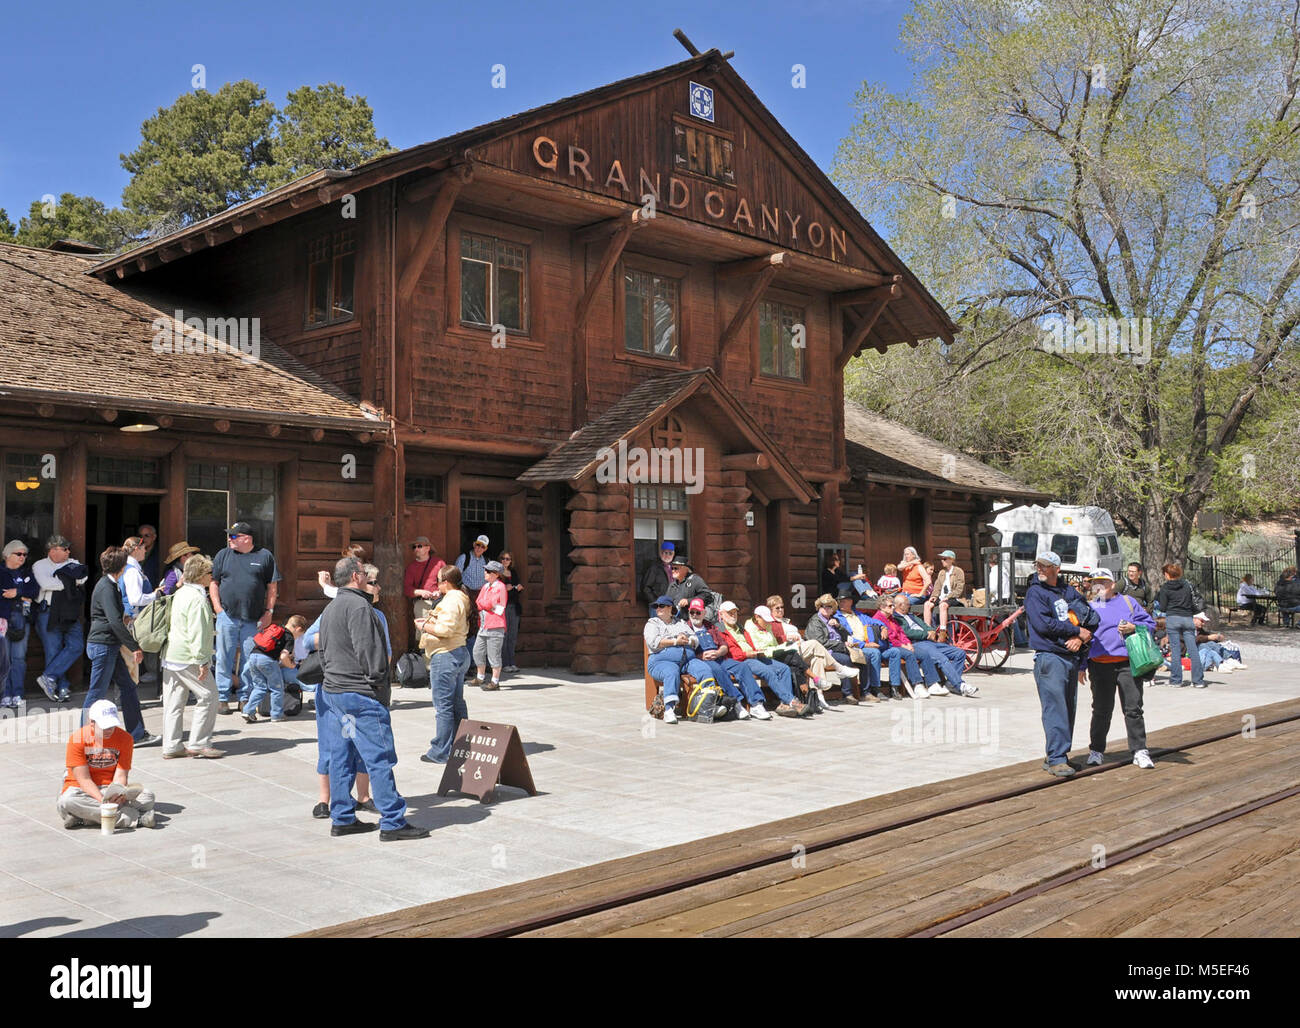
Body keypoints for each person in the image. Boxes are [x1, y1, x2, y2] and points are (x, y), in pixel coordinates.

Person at [318, 556, 428, 841]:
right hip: (360, 695)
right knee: (378, 758)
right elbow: (372, 655)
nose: (369, 579)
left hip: (335, 693)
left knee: (341, 756)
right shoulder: (359, 606)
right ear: (356, 576)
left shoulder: (330, 608)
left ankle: (341, 817)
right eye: (366, 574)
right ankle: (392, 821)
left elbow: (322, 651)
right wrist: (378, 683)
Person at [1024, 550, 1093, 777]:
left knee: (1067, 708)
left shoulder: (1067, 590)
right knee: (1055, 708)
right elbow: (1042, 624)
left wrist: (1080, 636)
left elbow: (1090, 616)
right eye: (1038, 565)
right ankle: (1056, 758)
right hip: (1049, 657)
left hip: (1070, 656)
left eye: (1045, 565)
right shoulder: (1035, 593)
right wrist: (1075, 631)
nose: (1040, 569)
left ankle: (1057, 754)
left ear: (1057, 569)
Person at [83, 547, 159, 746]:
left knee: (127, 686)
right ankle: (85, 737)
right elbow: (114, 622)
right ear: (122, 567)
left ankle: (137, 734)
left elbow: (114, 618)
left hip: (109, 645)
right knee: (96, 692)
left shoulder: (110, 584)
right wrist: (134, 646)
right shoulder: (106, 587)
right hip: (103, 645)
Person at [1081, 569, 1157, 770]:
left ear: (1112, 584)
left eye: (1103, 582)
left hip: (1127, 664)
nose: (1099, 586)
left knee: (1133, 709)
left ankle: (1140, 750)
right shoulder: (1088, 607)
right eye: (1095, 583)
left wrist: (1134, 627)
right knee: (1101, 710)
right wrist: (1081, 666)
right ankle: (1096, 750)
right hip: (1099, 665)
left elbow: (1150, 624)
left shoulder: (1128, 602)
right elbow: (1081, 639)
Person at [210, 522, 281, 713]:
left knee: (249, 660)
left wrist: (269, 612)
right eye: (229, 536)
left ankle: (245, 697)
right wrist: (217, 608)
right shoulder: (223, 555)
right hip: (227, 616)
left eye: (233, 536)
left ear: (246, 539)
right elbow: (213, 583)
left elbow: (272, 587)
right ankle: (222, 698)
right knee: (224, 657)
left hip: (253, 618)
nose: (229, 539)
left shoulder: (264, 556)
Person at [57, 699, 156, 829]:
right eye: (105, 726)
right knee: (67, 801)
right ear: (92, 723)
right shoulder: (77, 739)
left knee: (148, 797)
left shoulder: (125, 738)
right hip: (81, 790)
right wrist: (103, 801)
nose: (110, 730)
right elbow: (84, 780)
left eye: (112, 725)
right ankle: (135, 819)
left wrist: (117, 794)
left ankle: (84, 818)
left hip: (108, 789)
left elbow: (121, 775)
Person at [160, 554, 222, 759]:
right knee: (209, 696)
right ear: (201, 575)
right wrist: (203, 659)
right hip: (189, 656)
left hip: (171, 655)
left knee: (173, 703)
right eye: (209, 573)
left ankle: (171, 745)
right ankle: (199, 743)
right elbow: (198, 632)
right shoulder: (197, 598)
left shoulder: (181, 593)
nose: (211, 577)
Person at [418, 564, 472, 764]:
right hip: (457, 652)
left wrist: (424, 625)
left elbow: (445, 629)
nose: (436, 584)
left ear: (446, 582)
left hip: (446, 654)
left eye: (438, 580)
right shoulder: (459, 597)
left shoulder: (451, 600)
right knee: (456, 703)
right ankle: (462, 747)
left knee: (444, 706)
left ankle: (440, 752)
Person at [645, 595, 719, 724]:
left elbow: (695, 639)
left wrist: (687, 639)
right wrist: (675, 641)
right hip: (660, 662)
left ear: (670, 608)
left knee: (704, 669)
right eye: (656, 606)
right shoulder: (652, 623)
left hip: (686, 660)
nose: (658, 609)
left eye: (661, 606)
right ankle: (669, 709)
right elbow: (653, 643)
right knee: (671, 671)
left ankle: (708, 706)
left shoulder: (680, 622)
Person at [715, 600, 797, 717]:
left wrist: (756, 652)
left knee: (784, 668)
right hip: (742, 659)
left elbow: (752, 644)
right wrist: (746, 654)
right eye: (729, 613)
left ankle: (785, 704)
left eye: (735, 612)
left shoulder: (740, 628)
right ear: (721, 614)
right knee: (768, 672)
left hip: (754, 656)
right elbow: (730, 653)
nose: (733, 615)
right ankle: (790, 701)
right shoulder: (720, 630)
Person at [34, 535, 88, 704]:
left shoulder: (73, 563)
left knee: (77, 646)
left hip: (70, 612)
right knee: (53, 650)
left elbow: (82, 577)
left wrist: (63, 579)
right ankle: (61, 686)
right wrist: (68, 581)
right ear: (53, 550)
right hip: (48, 612)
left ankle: (48, 677)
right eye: (64, 549)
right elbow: (45, 584)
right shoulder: (40, 565)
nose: (68, 551)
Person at [890, 593, 977, 697]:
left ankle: (950, 683)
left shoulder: (910, 615)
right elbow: (907, 632)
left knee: (959, 653)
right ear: (900, 605)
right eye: (907, 604)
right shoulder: (896, 618)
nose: (909, 605)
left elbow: (924, 624)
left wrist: (931, 631)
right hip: (917, 643)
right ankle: (960, 685)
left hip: (929, 641)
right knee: (941, 658)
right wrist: (926, 634)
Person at [240, 614, 308, 725]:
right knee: (277, 688)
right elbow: (283, 657)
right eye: (300, 635)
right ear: (298, 629)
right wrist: (291, 666)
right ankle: (277, 715)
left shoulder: (276, 628)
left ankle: (248, 711)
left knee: (259, 687)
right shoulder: (289, 637)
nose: (298, 637)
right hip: (267, 660)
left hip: (253, 657)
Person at [0, 540, 40, 708]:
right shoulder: (1, 572)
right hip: (3, 620)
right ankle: (5, 694)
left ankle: (17, 693)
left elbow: (34, 591)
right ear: (8, 554)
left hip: (22, 620)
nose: (23, 557)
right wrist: (21, 595)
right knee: (4, 659)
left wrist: (17, 592)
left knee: (19, 658)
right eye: (19, 554)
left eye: (25, 554)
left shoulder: (26, 573)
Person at [805, 593, 864, 704]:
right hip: (825, 652)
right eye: (824, 606)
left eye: (829, 606)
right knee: (845, 659)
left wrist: (838, 626)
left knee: (865, 656)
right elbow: (820, 642)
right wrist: (841, 646)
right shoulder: (815, 621)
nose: (826, 609)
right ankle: (848, 694)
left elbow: (848, 635)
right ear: (819, 607)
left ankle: (867, 691)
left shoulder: (834, 619)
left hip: (839, 648)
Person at [1154, 563, 1205, 688]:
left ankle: (1176, 680)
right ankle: (1198, 680)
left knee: (1175, 650)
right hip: (1187, 618)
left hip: (1172, 618)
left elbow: (1163, 607)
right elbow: (1193, 602)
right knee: (1193, 649)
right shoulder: (1187, 585)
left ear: (1167, 574)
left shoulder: (1165, 588)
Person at [834, 584, 885, 702]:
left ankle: (870, 689)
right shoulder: (838, 617)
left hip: (866, 644)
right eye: (839, 601)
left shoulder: (859, 615)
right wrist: (864, 645)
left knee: (878, 652)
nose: (841, 603)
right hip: (854, 646)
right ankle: (873, 688)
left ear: (851, 602)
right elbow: (845, 636)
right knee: (873, 653)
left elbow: (875, 621)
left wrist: (883, 627)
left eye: (844, 601)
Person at [472, 560, 508, 689]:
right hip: (483, 625)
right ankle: (480, 677)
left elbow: (497, 606)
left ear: (496, 574)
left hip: (495, 625)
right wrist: (487, 604)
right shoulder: (486, 586)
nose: (485, 573)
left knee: (494, 655)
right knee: (477, 652)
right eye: (485, 570)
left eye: (488, 571)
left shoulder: (500, 587)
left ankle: (495, 681)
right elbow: (478, 602)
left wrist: (486, 604)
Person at [924, 550, 965, 642]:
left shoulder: (958, 571)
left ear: (951, 560)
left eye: (944, 559)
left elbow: (959, 588)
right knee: (927, 604)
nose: (942, 560)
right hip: (943, 597)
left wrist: (949, 596)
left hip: (955, 598)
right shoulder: (942, 572)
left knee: (943, 605)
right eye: (942, 559)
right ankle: (928, 630)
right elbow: (937, 586)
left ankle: (943, 631)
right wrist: (934, 595)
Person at [404, 536, 446, 621]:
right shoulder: (411, 567)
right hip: (422, 603)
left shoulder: (439, 563)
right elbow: (407, 589)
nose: (416, 549)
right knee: (422, 631)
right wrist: (420, 592)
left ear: (428, 548)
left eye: (419, 546)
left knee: (441, 630)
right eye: (414, 547)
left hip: (440, 602)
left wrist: (439, 592)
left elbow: (448, 582)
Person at [499, 551, 523, 672]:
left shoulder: (513, 573)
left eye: (508, 559)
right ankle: (504, 663)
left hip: (514, 606)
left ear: (511, 561)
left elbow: (518, 588)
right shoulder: (498, 574)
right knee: (504, 635)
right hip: (503, 607)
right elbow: (500, 590)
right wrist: (509, 588)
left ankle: (512, 662)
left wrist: (514, 588)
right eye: (503, 558)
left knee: (513, 635)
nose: (505, 561)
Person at [639, 540, 677, 612]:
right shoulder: (654, 568)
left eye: (670, 553)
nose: (667, 555)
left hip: (672, 606)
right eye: (665, 553)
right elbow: (646, 588)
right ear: (661, 553)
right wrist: (655, 602)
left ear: (673, 554)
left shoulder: (675, 568)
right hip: (658, 607)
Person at [137, 524, 161, 588]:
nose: (143, 538)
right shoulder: (135, 552)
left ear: (154, 537)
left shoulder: (160, 553)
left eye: (146, 536)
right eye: (140, 536)